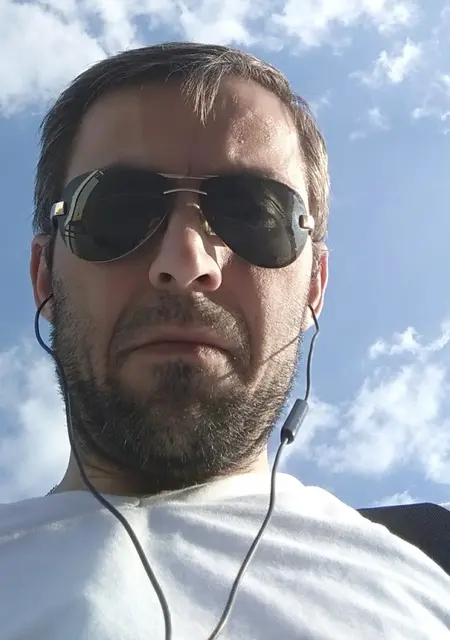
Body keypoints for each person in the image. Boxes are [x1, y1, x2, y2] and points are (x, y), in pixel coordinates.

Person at [1, 42, 449, 640]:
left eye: (257, 214)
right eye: (116, 210)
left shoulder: (431, 572)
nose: (186, 263)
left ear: (314, 286)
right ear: (43, 276)